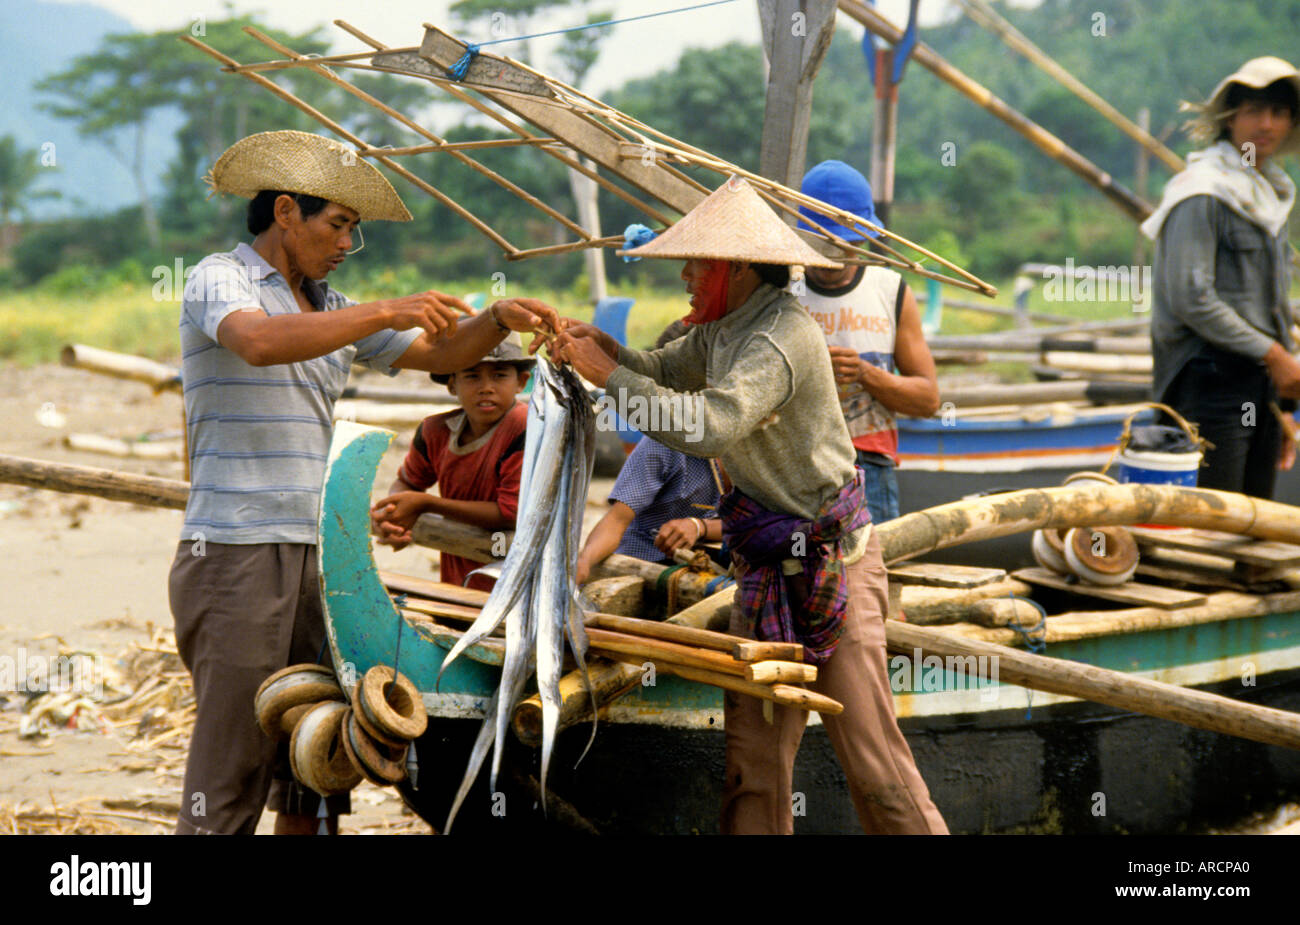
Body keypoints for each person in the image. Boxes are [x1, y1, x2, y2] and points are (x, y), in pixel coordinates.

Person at [169, 130, 560, 835]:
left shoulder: (330, 304)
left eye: (355, 228)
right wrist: (383, 310)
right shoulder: (217, 278)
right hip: (235, 552)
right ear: (286, 211)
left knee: (317, 754)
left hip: (319, 551)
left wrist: (496, 319)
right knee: (232, 764)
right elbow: (256, 342)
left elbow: (440, 350)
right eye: (338, 223)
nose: (348, 241)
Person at [553, 176, 947, 835]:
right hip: (766, 572)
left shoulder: (779, 335)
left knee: (877, 769)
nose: (682, 274)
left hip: (832, 568)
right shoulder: (721, 330)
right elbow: (661, 368)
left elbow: (710, 425)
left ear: (732, 268)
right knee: (754, 767)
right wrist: (607, 349)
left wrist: (607, 375)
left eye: (693, 263)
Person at [1144, 57, 1300, 498]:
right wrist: (1275, 356)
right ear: (1231, 117)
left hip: (1257, 384)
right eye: (1254, 110)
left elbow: (1272, 306)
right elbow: (1192, 297)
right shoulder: (1203, 191)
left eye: (1279, 112)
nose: (1266, 124)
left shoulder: (1268, 194)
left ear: (1290, 122)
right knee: (1210, 521)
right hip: (1208, 381)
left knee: (1253, 520)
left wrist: (1283, 405)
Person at [792, 160, 939, 522]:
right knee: (792, 570)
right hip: (790, 466)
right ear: (803, 236)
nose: (834, 256)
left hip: (867, 465)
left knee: (868, 573)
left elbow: (928, 399)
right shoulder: (780, 289)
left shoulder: (890, 291)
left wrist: (864, 373)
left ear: (864, 237)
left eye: (846, 243)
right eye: (822, 244)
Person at [370, 335, 534, 591]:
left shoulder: (526, 427)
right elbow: (407, 483)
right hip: (458, 579)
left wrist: (426, 503)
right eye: (471, 376)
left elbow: (510, 513)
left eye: (499, 375)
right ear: (452, 384)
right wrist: (395, 515)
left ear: (521, 383)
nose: (486, 387)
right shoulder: (434, 431)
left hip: (516, 583)